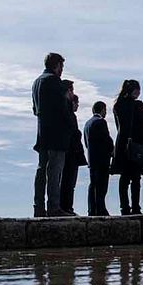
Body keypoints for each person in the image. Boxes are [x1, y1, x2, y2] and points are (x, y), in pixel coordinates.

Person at [32, 52, 73, 217]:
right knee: (55, 172)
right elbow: (63, 109)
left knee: (42, 171)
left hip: (42, 134)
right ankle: (54, 207)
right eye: (61, 66)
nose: (62, 70)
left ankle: (38, 207)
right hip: (57, 134)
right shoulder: (54, 82)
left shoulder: (36, 83)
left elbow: (35, 110)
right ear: (57, 65)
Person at [110, 79, 143, 215]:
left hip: (121, 143)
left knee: (124, 178)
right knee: (136, 178)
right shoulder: (137, 105)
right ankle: (136, 207)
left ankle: (124, 207)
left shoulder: (118, 105)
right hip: (135, 144)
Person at [60, 83, 87, 215]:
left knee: (68, 181)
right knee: (68, 181)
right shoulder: (69, 113)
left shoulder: (69, 113)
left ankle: (67, 206)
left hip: (70, 151)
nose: (77, 105)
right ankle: (67, 206)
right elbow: (73, 132)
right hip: (71, 152)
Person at [83, 101, 114, 216]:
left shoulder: (87, 123)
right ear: (102, 109)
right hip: (102, 159)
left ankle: (92, 209)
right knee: (102, 186)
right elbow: (106, 140)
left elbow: (86, 142)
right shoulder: (101, 122)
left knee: (93, 185)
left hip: (92, 159)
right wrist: (112, 151)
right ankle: (101, 209)